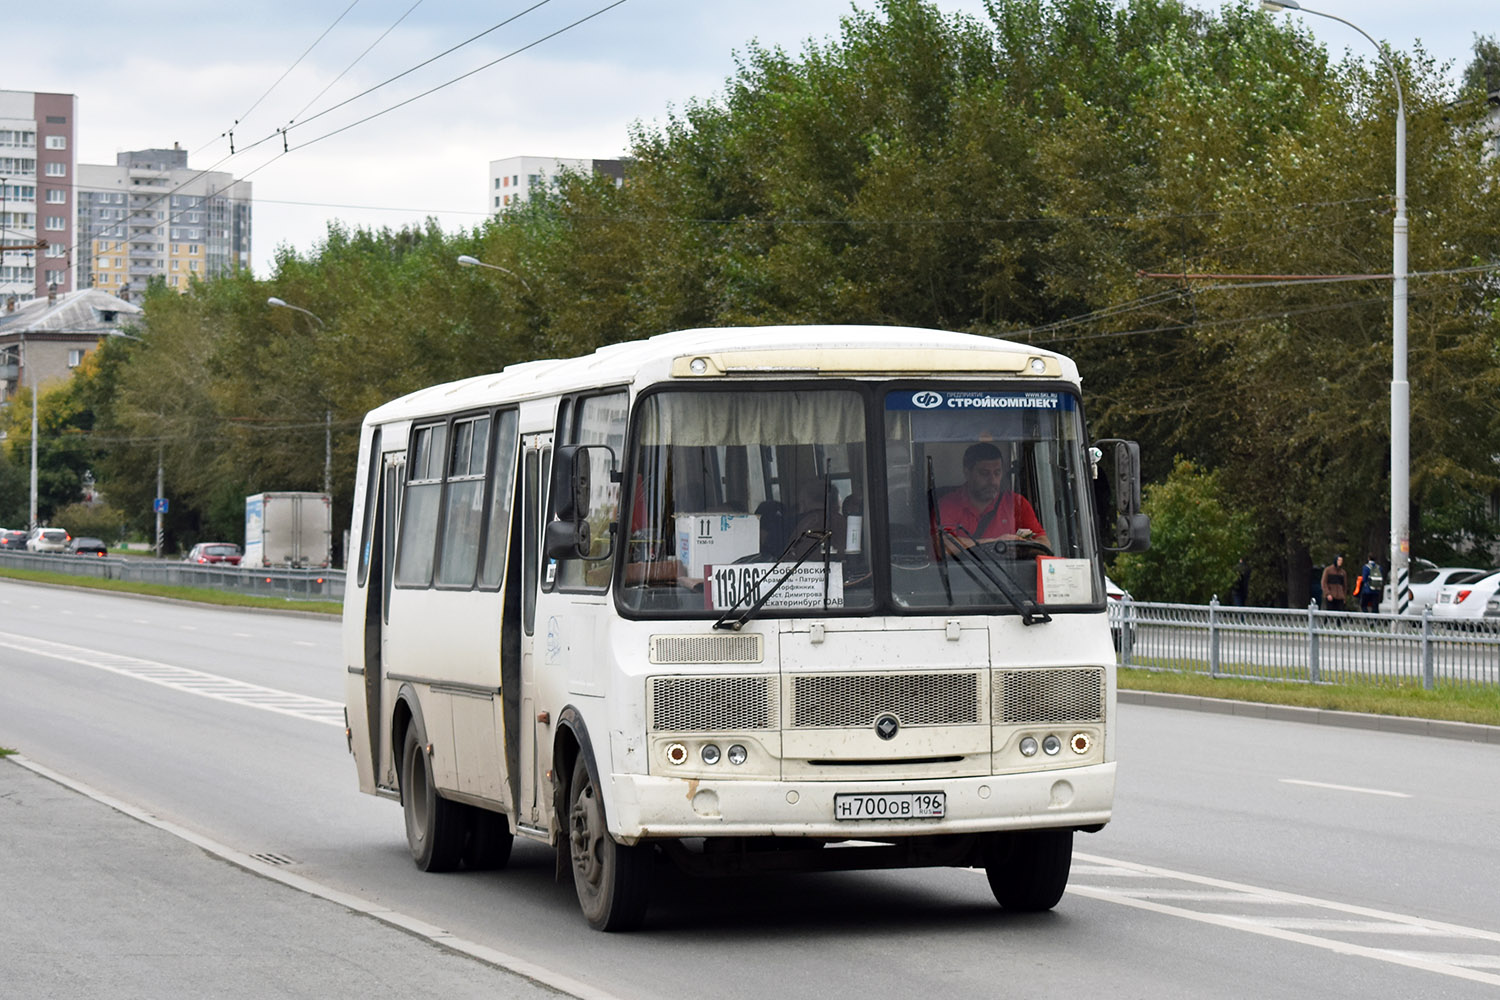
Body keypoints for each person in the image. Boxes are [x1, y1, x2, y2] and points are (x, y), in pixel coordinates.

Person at [935, 442, 1048, 548]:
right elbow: (943, 546)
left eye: (997, 473)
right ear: (967, 473)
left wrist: (1020, 544)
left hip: (1010, 569)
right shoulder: (947, 505)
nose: (992, 480)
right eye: (984, 473)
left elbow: (1044, 544)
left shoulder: (1016, 504)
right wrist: (997, 543)